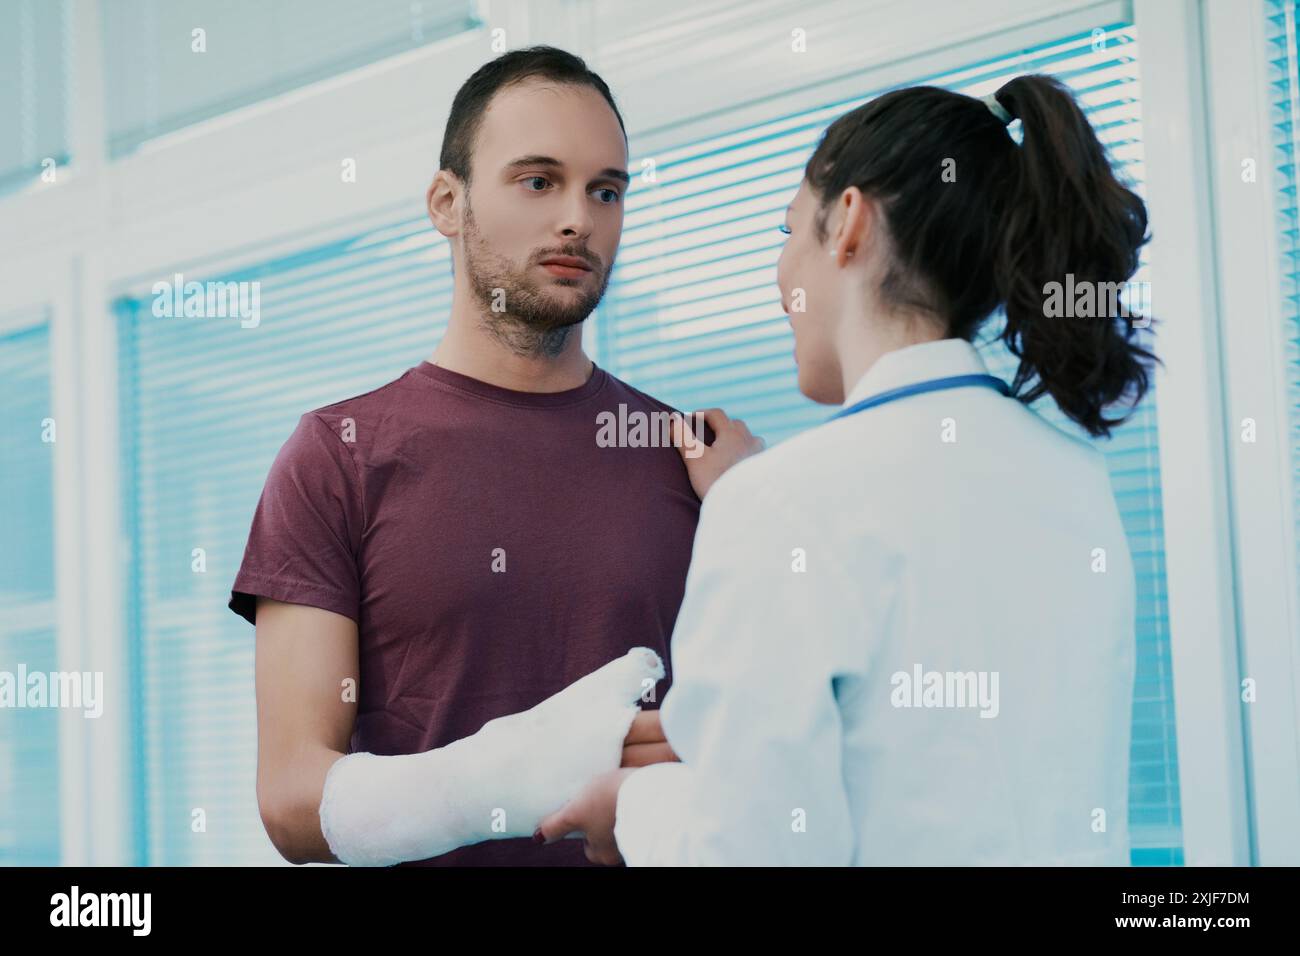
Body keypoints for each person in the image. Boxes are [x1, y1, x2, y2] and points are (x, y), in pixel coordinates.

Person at [539, 75, 1155, 865]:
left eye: (789, 229)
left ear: (850, 225)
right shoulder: (1072, 482)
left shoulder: (785, 505)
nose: (780, 275)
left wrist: (634, 809)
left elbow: (754, 851)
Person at [228, 46, 760, 867]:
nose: (578, 218)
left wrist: (762, 518)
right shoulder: (335, 458)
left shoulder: (691, 458)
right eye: (538, 180)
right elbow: (294, 805)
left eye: (606, 190)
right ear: (447, 202)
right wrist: (510, 773)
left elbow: (762, 755)